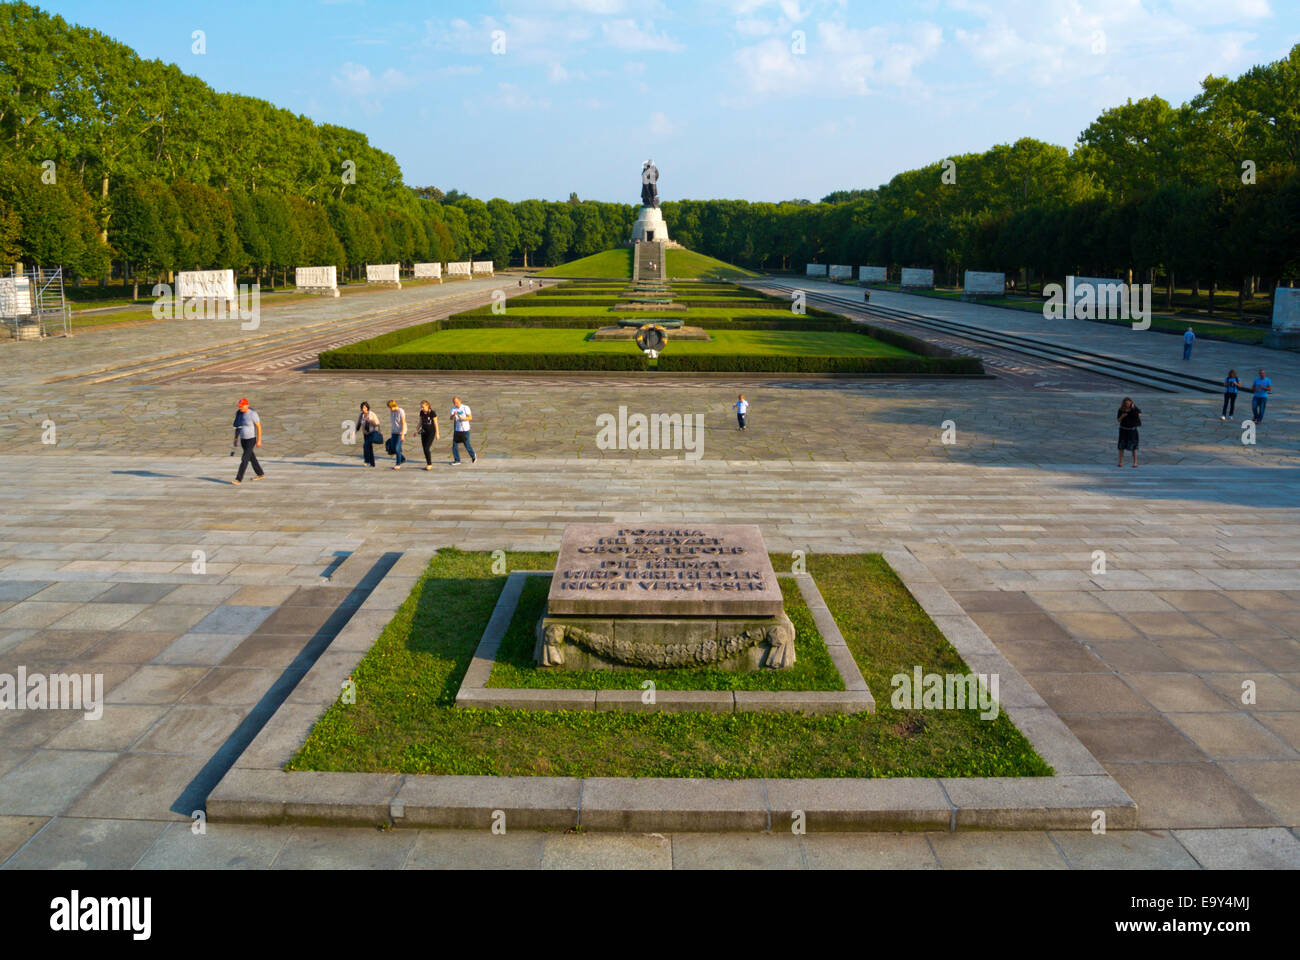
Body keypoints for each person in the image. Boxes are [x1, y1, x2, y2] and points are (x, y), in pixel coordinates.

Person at [231, 398, 265, 484]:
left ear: (247, 405)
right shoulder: (239, 414)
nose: (240, 408)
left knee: (245, 459)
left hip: (251, 439)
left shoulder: (253, 414)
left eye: (242, 406)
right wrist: (235, 438)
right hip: (243, 439)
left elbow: (259, 427)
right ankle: (260, 473)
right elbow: (238, 427)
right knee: (251, 458)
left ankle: (238, 479)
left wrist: (259, 440)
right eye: (239, 406)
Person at [449, 395, 475, 465]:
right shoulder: (453, 409)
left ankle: (473, 455)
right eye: (454, 403)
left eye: (456, 402)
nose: (455, 404)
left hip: (465, 429)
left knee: (466, 444)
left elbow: (470, 417)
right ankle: (457, 460)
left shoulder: (465, 407)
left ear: (460, 401)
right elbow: (451, 418)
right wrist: (453, 416)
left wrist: (463, 418)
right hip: (457, 429)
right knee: (454, 445)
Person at [1117, 397, 1141, 468]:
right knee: (1121, 446)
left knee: (1134, 447)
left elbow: (1139, 415)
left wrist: (1134, 409)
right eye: (1126, 403)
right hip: (1123, 430)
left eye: (1128, 403)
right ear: (1124, 403)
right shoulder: (1121, 410)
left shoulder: (1135, 410)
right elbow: (1118, 420)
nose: (1127, 404)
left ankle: (1135, 462)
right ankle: (1120, 462)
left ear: (1131, 403)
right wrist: (1122, 416)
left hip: (1132, 430)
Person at [417, 400, 440, 470]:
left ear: (427, 406)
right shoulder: (421, 412)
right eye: (421, 407)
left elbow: (436, 424)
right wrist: (416, 430)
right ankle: (428, 463)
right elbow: (420, 422)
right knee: (424, 449)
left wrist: (437, 434)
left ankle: (429, 464)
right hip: (423, 431)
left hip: (431, 432)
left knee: (427, 448)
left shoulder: (432, 413)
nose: (421, 408)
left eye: (423, 407)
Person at [356, 401, 381, 467]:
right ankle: (372, 463)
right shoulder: (361, 415)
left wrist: (370, 421)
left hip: (372, 433)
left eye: (365, 407)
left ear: (367, 407)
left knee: (365, 446)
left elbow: (377, 423)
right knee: (369, 448)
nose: (363, 409)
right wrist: (354, 432)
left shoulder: (371, 414)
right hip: (365, 434)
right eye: (362, 407)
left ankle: (366, 461)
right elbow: (358, 424)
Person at [387, 399, 407, 469]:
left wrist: (402, 434)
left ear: (393, 406)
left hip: (401, 432)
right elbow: (393, 423)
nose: (390, 409)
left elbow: (403, 423)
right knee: (393, 447)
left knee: (397, 447)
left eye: (390, 407)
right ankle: (403, 458)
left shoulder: (400, 411)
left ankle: (398, 463)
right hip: (394, 432)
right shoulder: (391, 412)